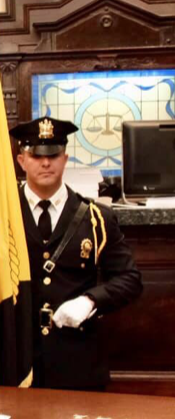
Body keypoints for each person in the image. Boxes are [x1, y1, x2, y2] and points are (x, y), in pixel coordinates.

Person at [13, 117, 142, 390]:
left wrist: (90, 300)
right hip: (18, 360)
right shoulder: (3, 216)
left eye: (53, 155)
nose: (45, 163)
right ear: (21, 160)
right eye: (36, 155)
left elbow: (130, 279)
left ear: (65, 158)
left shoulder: (96, 218)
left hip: (77, 361)